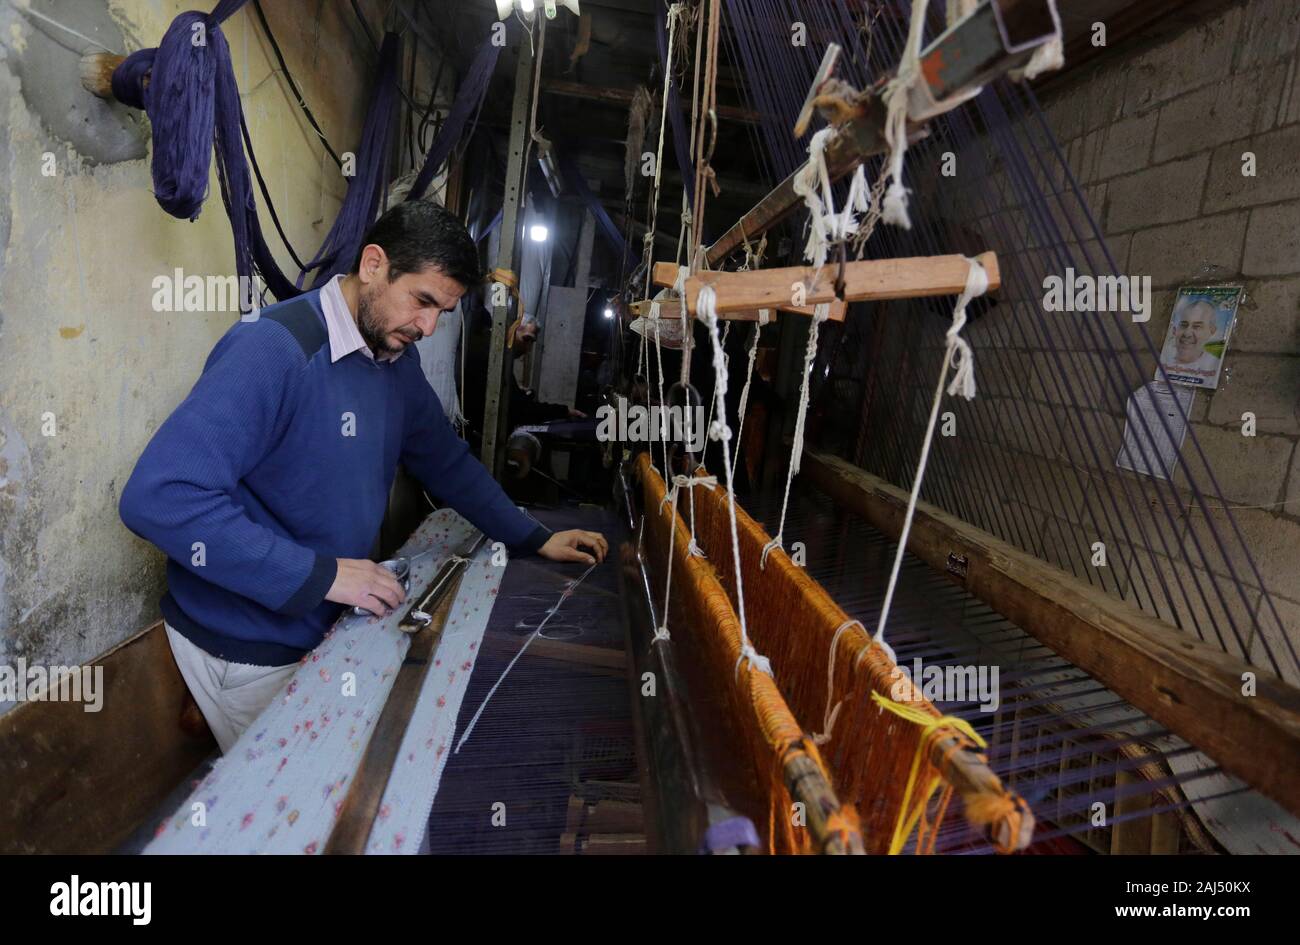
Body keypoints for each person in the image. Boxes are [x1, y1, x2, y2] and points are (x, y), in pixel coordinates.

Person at [119, 202, 607, 752]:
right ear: (374, 264)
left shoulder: (392, 360)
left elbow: (444, 460)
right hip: (247, 647)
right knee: (328, 816)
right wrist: (321, 576)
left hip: (320, 626)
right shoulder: (274, 349)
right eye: (422, 301)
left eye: (442, 312)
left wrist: (531, 536)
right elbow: (159, 498)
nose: (428, 326)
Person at [1160, 297, 1221, 379]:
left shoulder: (1213, 364)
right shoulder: (1164, 356)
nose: (1187, 333)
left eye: (1197, 327)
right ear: (1175, 330)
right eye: (1183, 325)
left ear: (1212, 331)